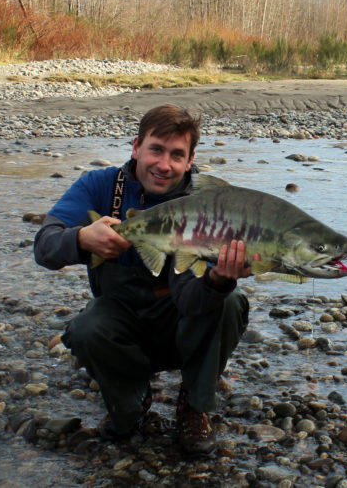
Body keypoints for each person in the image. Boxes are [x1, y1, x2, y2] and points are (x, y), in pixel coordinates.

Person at [33, 104, 253, 455]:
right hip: (123, 323)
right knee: (86, 329)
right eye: (156, 150)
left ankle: (195, 405)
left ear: (190, 159)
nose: (165, 165)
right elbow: (44, 246)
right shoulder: (101, 186)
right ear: (136, 147)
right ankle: (132, 401)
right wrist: (81, 239)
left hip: (181, 323)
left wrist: (218, 280)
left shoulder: (205, 206)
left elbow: (190, 301)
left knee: (229, 301)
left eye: (177, 155)